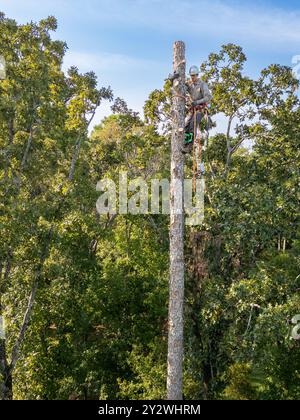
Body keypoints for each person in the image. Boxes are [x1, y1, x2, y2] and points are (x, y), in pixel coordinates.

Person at [182, 65, 212, 154]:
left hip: (200, 109)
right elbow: (182, 87)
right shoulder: (189, 83)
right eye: (191, 76)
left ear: (197, 75)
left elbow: (209, 97)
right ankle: (186, 143)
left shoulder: (202, 84)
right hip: (192, 109)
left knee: (192, 125)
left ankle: (189, 146)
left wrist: (198, 102)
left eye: (194, 76)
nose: (192, 78)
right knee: (186, 125)